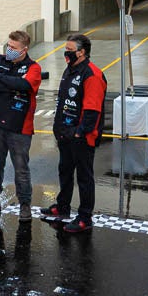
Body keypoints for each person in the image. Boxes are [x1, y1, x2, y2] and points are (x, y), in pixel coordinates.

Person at [0, 30, 42, 221]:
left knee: (21, 168)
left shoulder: (34, 67)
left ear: (24, 50)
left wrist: (1, 78)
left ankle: (25, 204)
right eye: (8, 45)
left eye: (13, 47)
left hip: (20, 126)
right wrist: (12, 85)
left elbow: (25, 86)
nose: (9, 49)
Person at [45, 34, 106, 234]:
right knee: (64, 171)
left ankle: (85, 217)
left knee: (84, 177)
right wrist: (58, 128)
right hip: (65, 133)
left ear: (82, 52)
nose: (66, 53)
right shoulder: (69, 69)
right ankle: (62, 206)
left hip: (82, 137)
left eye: (70, 50)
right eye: (66, 49)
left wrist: (80, 133)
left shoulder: (92, 74)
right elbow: (63, 101)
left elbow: (92, 110)